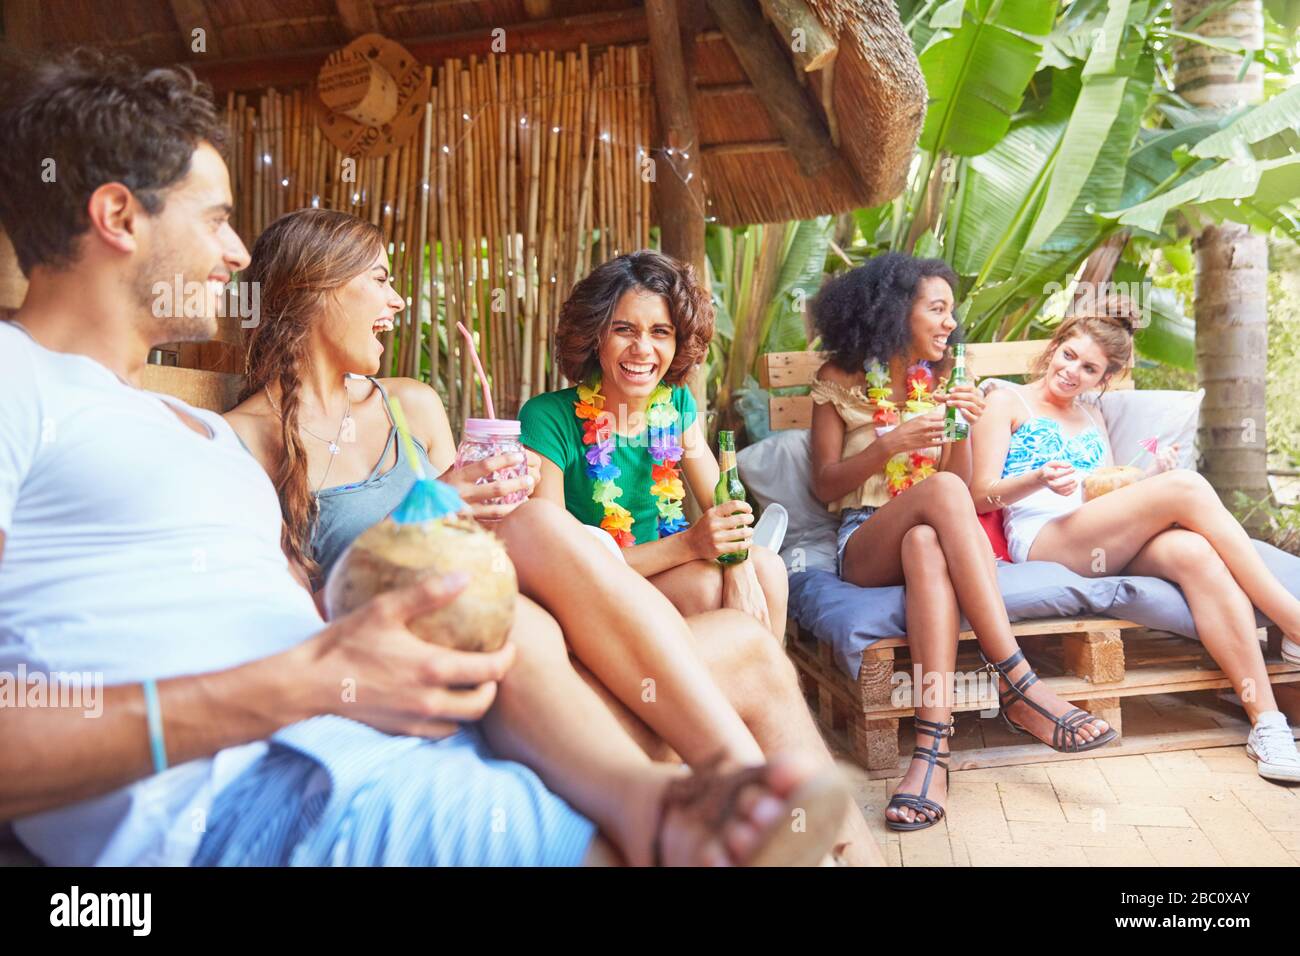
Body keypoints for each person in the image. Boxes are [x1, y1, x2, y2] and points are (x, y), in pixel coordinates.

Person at [0, 49, 851, 867]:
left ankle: (700, 810)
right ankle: (672, 809)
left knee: (649, 615)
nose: (235, 253)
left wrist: (435, 525)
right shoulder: (19, 381)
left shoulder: (195, 436)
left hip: (372, 732)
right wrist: (305, 682)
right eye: (219, 219)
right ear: (117, 217)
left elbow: (320, 609)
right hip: (271, 789)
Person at [223, 207, 880, 864]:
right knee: (542, 527)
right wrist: (425, 516)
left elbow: (477, 527)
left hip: (523, 639)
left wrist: (475, 501)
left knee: (744, 643)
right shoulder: (248, 440)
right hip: (411, 652)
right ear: (317, 287)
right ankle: (745, 790)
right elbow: (294, 623)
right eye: (380, 279)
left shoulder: (410, 404)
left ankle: (810, 828)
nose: (398, 299)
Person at [808, 252, 1118, 831]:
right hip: (865, 539)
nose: (951, 322)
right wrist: (889, 444)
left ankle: (930, 755)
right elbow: (823, 484)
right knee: (940, 497)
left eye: (952, 310)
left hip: (937, 540)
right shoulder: (839, 378)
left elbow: (970, 495)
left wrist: (962, 426)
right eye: (938, 308)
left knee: (928, 539)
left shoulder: (951, 376)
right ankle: (1020, 683)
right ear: (898, 310)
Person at [970, 296, 1300, 783]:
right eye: (1068, 355)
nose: (1072, 372)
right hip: (1045, 537)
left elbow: (1102, 489)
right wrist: (1037, 478)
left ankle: (1267, 724)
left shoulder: (1091, 417)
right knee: (1186, 488)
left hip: (1096, 533)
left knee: (1195, 552)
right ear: (1054, 347)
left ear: (1103, 379)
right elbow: (980, 496)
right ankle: (1294, 624)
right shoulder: (1004, 400)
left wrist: (1149, 476)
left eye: (1089, 368)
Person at [518, 251, 789, 639]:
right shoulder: (547, 419)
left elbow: (722, 509)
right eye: (624, 329)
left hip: (664, 572)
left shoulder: (676, 406)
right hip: (588, 588)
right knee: (705, 587)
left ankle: (761, 691)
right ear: (595, 336)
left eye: (660, 332)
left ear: (678, 342)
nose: (642, 348)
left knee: (769, 571)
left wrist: (740, 566)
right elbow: (558, 564)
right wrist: (691, 545)